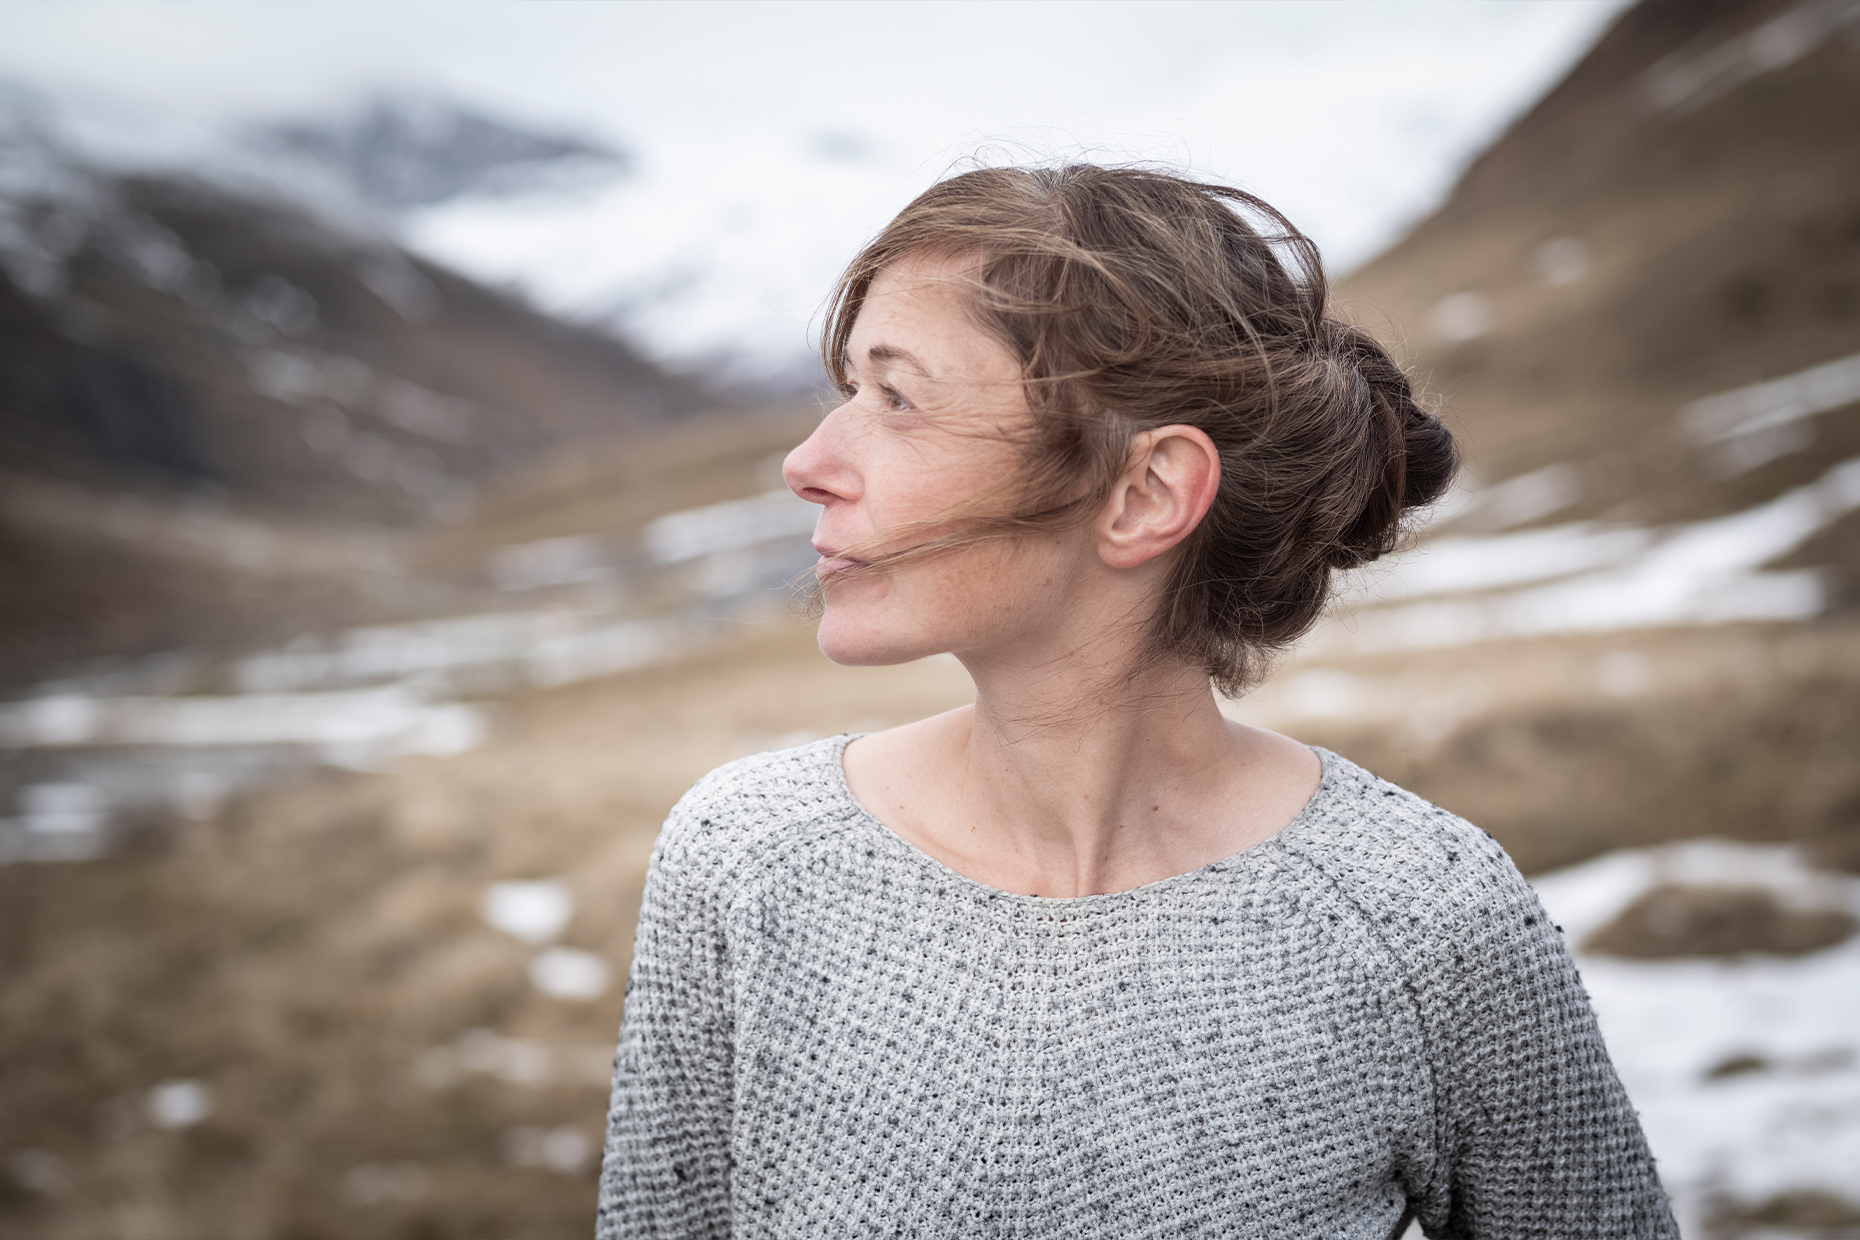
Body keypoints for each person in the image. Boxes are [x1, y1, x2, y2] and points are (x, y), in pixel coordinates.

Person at [597, 164, 1677, 1239]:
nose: (809, 462)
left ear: (1147, 492)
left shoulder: (1424, 916)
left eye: (897, 398)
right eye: (846, 392)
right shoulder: (745, 861)